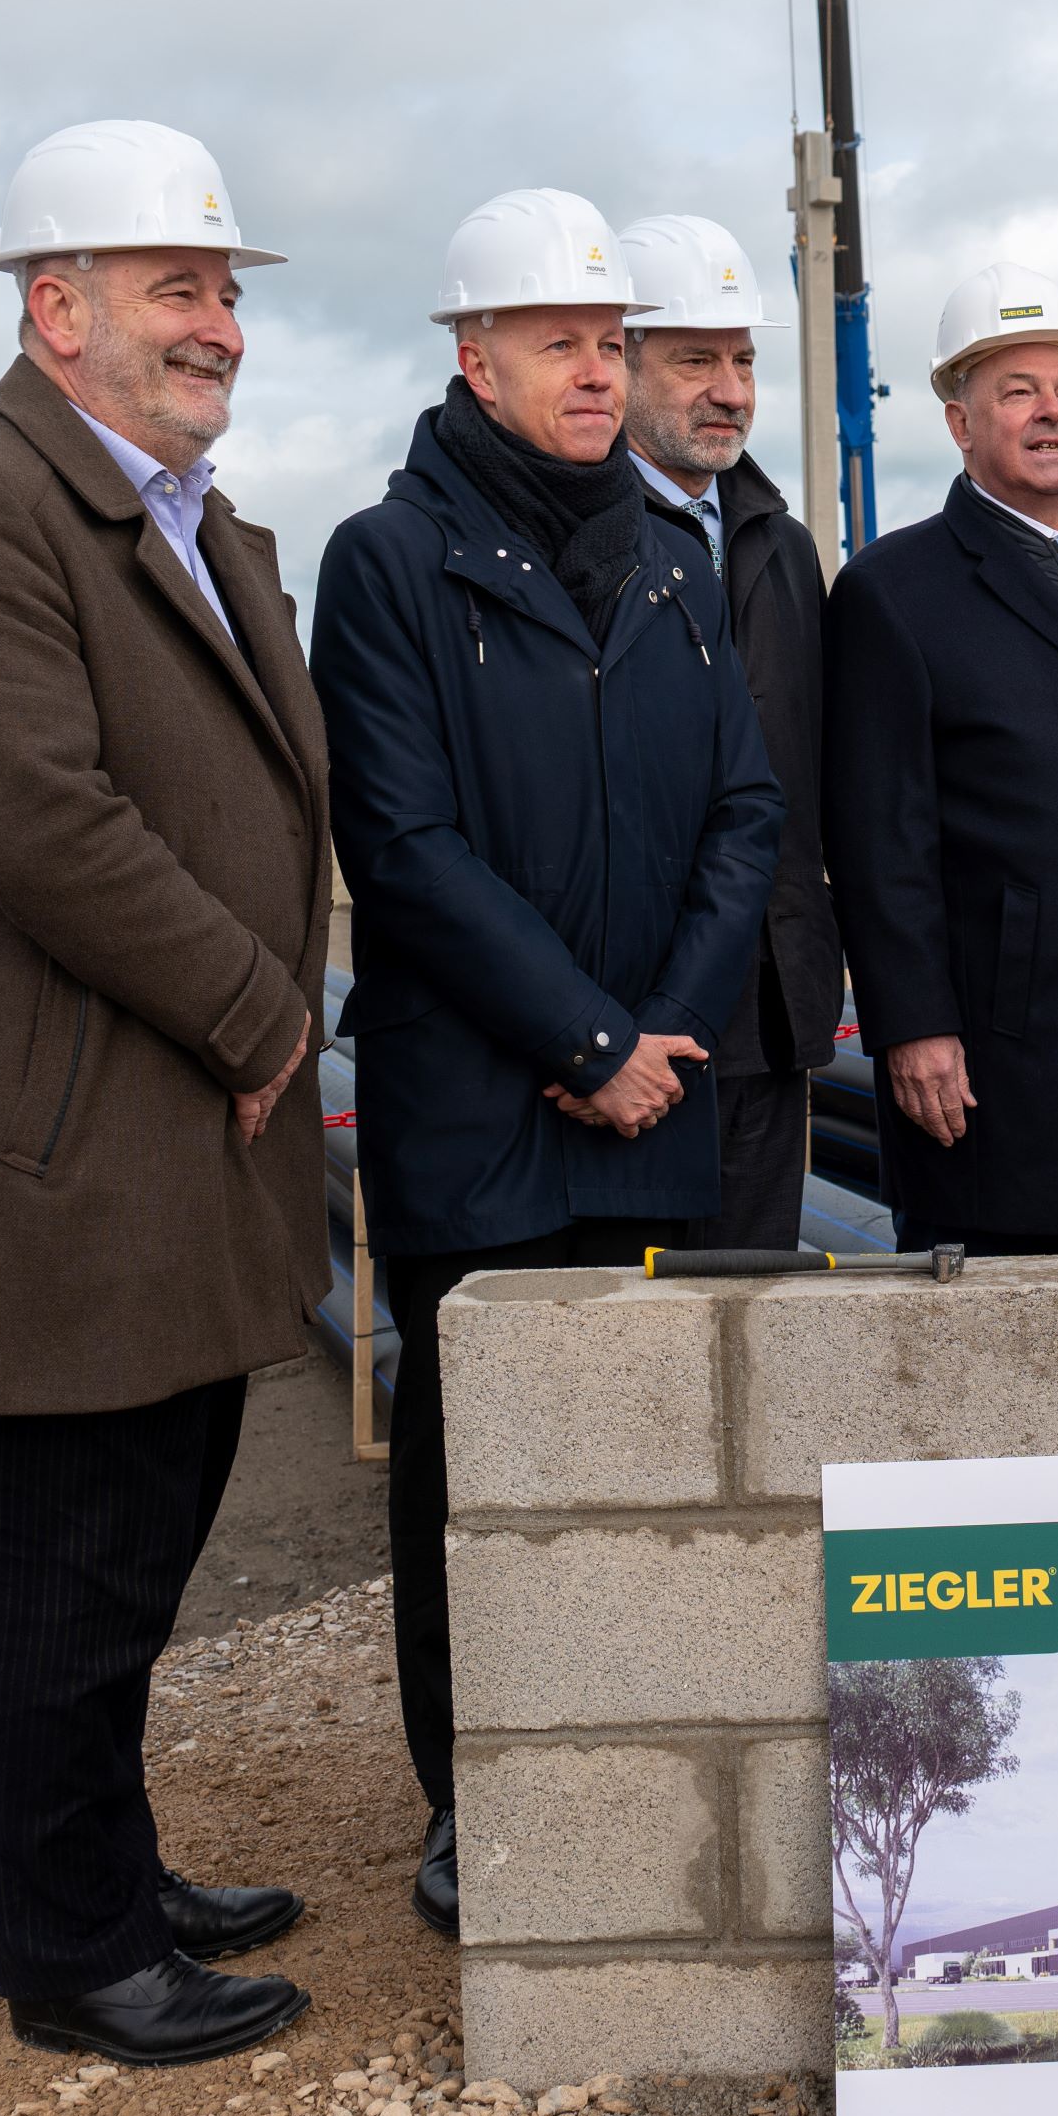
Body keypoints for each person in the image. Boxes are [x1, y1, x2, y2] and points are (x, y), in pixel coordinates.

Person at [0, 119, 324, 2065]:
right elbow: (42, 821)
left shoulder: (199, 522)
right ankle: (71, 1950)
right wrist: (264, 1012)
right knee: (57, 1573)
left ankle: (112, 1869)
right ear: (57, 311)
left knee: (135, 1551)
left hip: (172, 1133)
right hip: (62, 1151)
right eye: (175, 287)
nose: (219, 324)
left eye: (224, 290)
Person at [311, 187, 780, 1934]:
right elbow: (405, 842)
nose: (594, 370)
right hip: (484, 1111)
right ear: (475, 358)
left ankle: (627, 1765)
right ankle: (475, 1796)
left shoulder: (672, 560)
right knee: (474, 1479)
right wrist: (585, 1038)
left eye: (607, 341)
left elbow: (744, 812)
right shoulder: (390, 561)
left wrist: (659, 1038)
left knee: (640, 1460)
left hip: (651, 1103)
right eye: (558, 342)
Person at [824, 263, 1058, 1252]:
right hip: (999, 1065)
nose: (1051, 413)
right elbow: (879, 838)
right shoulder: (894, 591)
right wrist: (913, 1024)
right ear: (959, 422)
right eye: (1019, 392)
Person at [616, 213, 844, 1254]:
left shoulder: (782, 546)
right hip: (638, 1024)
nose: (730, 390)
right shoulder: (581, 542)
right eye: (694, 360)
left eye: (743, 361)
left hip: (772, 1015)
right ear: (619, 364)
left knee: (758, 1312)